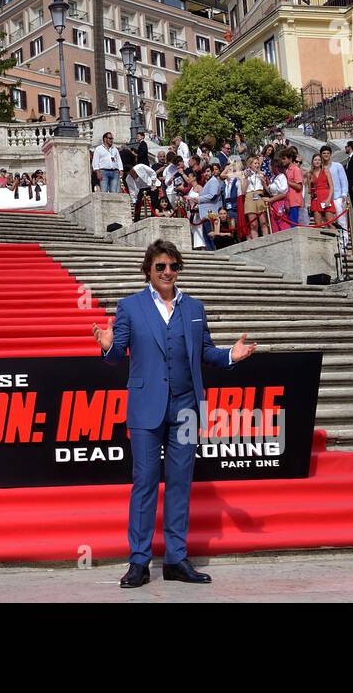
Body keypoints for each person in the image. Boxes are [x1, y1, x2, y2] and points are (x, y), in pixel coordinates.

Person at [92, 239, 257, 588]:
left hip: (185, 408)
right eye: (160, 267)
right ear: (148, 271)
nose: (168, 272)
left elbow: (207, 352)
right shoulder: (130, 307)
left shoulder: (194, 307)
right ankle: (138, 561)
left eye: (173, 266)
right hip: (146, 407)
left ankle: (176, 559)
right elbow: (116, 354)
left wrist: (230, 355)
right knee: (146, 482)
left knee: (180, 483)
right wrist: (107, 346)